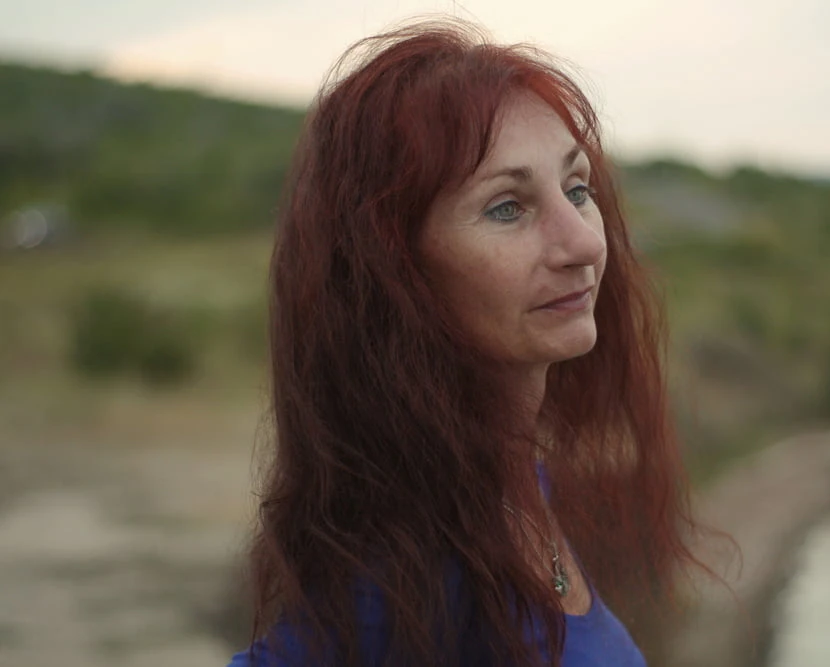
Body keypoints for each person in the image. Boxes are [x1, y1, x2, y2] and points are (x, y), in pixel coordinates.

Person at [229, 17, 695, 667]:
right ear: (394, 268)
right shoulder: (406, 560)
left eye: (577, 189)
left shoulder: (515, 488)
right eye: (507, 207)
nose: (585, 242)